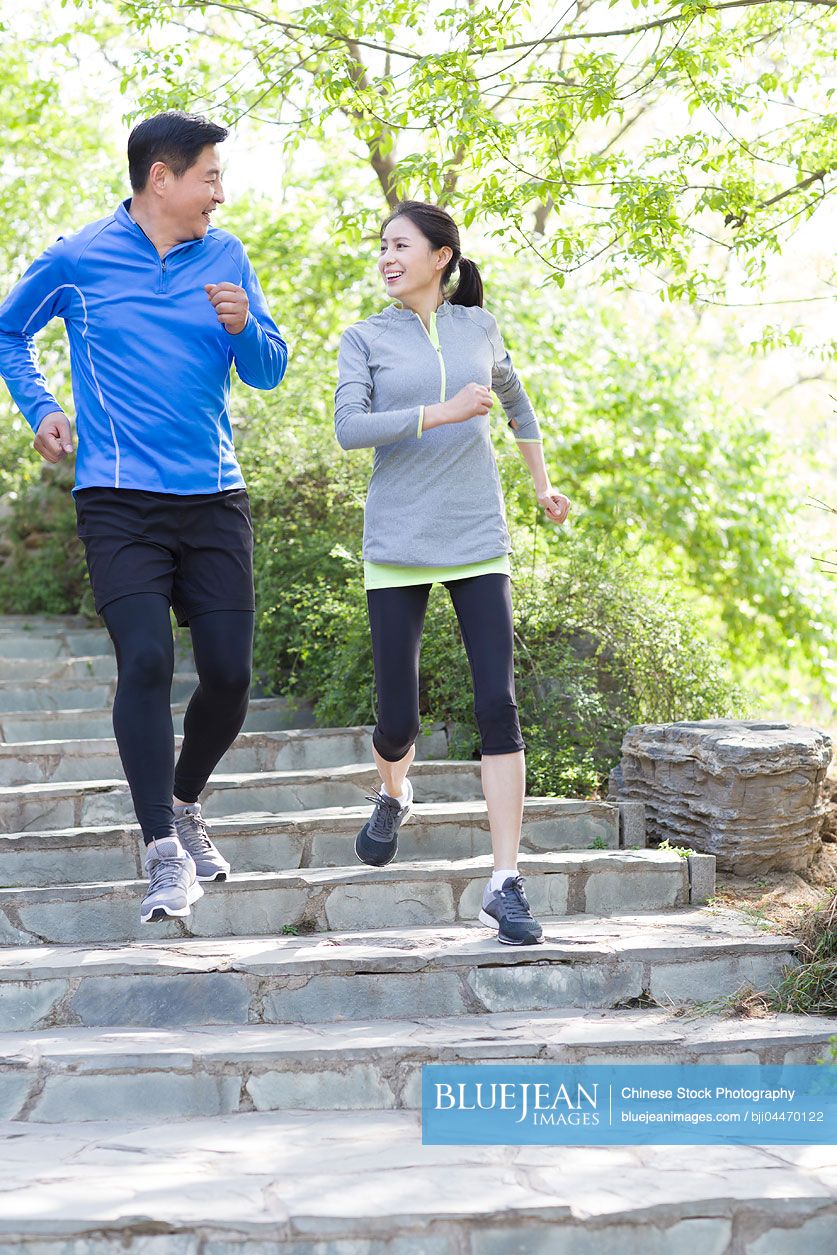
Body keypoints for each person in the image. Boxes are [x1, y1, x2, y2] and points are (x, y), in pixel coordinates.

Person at [0, 111, 288, 924]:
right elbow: (9, 331)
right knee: (148, 659)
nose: (219, 195)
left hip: (214, 495)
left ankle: (184, 802)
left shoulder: (227, 256)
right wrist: (41, 408)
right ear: (161, 177)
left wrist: (246, 326)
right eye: (210, 178)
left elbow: (268, 369)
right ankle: (162, 850)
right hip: (118, 499)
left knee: (229, 675)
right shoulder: (79, 258)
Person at [334, 199, 570, 946]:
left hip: (476, 535)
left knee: (497, 704)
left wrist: (541, 486)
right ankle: (393, 792)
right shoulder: (364, 338)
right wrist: (440, 412)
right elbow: (348, 428)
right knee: (397, 721)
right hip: (397, 542)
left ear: (441, 257)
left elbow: (517, 404)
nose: (386, 257)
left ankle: (504, 882)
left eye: (400, 245)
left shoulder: (479, 327)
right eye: (382, 246)